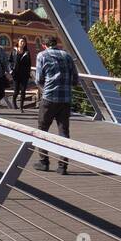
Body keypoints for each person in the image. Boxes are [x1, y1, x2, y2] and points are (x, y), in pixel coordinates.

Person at [33, 35, 77, 174]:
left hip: (49, 98)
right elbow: (75, 79)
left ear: (45, 45)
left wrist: (46, 86)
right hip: (65, 99)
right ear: (56, 44)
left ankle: (44, 162)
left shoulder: (42, 55)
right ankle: (62, 166)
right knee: (64, 132)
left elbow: (39, 78)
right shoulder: (67, 56)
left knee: (42, 130)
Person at [10, 37, 32, 112]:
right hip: (15, 74)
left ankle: (21, 107)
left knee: (23, 91)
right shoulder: (14, 51)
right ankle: (14, 103)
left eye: (24, 42)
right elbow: (10, 61)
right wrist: (11, 69)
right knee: (16, 90)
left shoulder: (27, 52)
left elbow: (29, 64)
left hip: (24, 74)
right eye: (21, 41)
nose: (23, 43)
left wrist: (29, 73)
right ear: (18, 42)